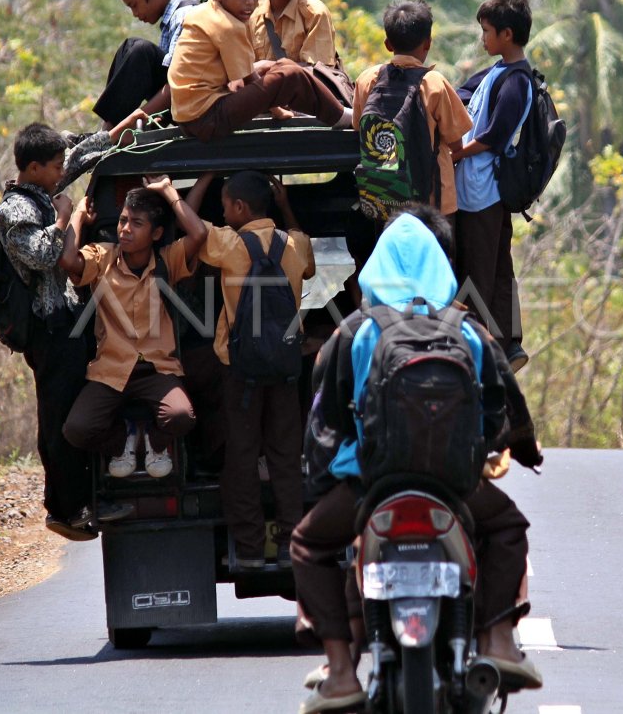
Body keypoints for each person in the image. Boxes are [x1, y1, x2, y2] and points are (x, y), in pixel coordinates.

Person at [291, 207, 544, 713]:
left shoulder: (353, 334)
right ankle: (496, 641)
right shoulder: (469, 330)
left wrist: (319, 493)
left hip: (373, 481)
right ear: (440, 264)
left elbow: (324, 427)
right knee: (507, 526)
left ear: (376, 265)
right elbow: (504, 406)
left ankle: (341, 673)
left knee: (307, 544)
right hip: (453, 482)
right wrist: (510, 449)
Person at [0, 123, 127, 541]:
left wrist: (127, 128)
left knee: (68, 411)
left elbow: (80, 155)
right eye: (54, 167)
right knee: (61, 418)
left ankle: (83, 498)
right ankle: (65, 508)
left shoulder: (40, 189)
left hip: (68, 324)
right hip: (49, 332)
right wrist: (68, 216)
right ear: (33, 168)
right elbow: (44, 254)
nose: (60, 172)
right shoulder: (16, 211)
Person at [184, 170, 315, 570]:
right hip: (285, 369)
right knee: (286, 458)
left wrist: (197, 182)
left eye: (225, 206)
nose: (222, 214)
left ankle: (251, 551)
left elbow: (188, 222)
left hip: (239, 370)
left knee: (241, 459)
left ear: (239, 208)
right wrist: (288, 204)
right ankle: (293, 547)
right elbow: (307, 267)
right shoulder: (295, 245)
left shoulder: (228, 245)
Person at [59, 178, 207, 479]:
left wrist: (167, 191)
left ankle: (154, 441)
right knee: (76, 429)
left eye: (136, 224)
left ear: (157, 233)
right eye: (123, 220)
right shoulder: (103, 258)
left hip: (157, 370)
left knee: (182, 417)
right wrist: (76, 215)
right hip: (110, 370)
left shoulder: (168, 261)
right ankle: (124, 440)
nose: (125, 229)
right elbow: (67, 259)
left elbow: (199, 232)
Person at [345, 0, 472, 304]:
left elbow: (358, 128)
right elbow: (457, 142)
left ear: (388, 43)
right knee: (436, 271)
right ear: (427, 43)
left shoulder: (368, 79)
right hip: (433, 202)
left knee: (392, 272)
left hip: (384, 198)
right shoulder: (435, 84)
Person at [167, 0, 351, 143]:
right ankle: (339, 116)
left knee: (281, 65)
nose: (250, 2)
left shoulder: (203, 12)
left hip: (189, 116)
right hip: (207, 117)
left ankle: (332, 110)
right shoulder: (228, 26)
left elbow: (241, 74)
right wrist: (278, 110)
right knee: (290, 74)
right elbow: (249, 80)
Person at [452, 0, 535, 372]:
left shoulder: (518, 82)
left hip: (481, 193)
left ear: (506, 34)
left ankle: (482, 354)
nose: (483, 39)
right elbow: (460, 95)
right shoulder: (497, 72)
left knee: (479, 274)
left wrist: (456, 153)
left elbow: (492, 138)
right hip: (483, 190)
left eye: (487, 31)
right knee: (498, 269)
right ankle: (506, 346)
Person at [95, 0, 198, 135]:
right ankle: (105, 130)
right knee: (129, 48)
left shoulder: (185, 16)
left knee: (139, 50)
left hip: (193, 99)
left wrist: (134, 121)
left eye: (134, 5)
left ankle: (107, 134)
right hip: (177, 98)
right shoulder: (172, 19)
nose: (135, 14)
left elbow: (178, 84)